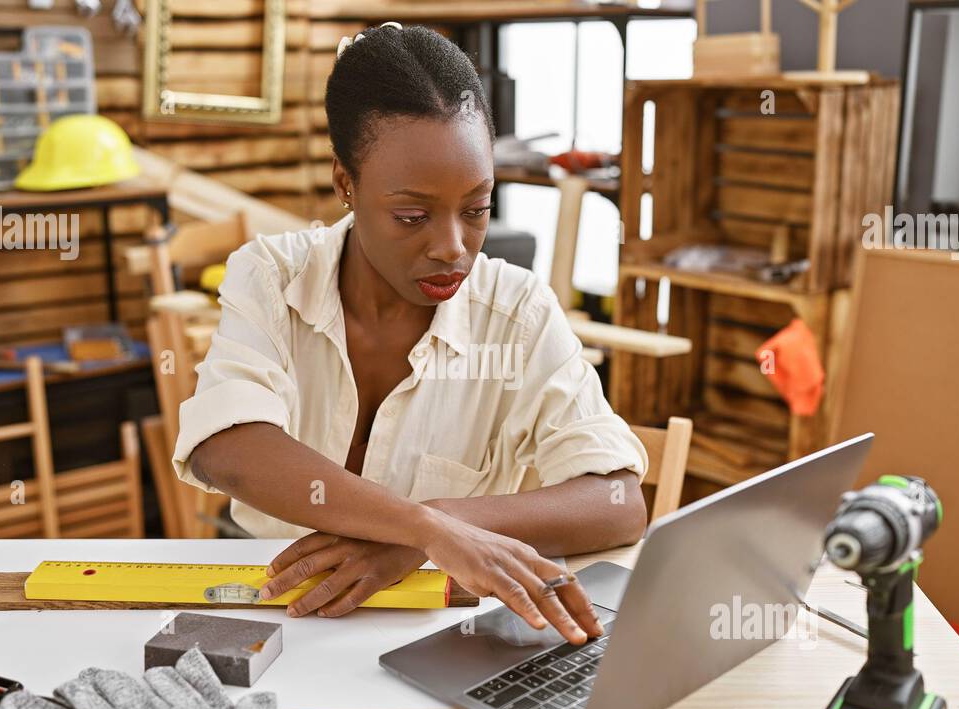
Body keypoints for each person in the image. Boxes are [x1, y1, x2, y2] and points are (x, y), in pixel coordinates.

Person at [173, 23, 648, 644]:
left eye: (477, 209)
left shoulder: (518, 309)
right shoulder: (271, 274)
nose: (453, 248)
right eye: (412, 216)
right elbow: (226, 448)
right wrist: (427, 531)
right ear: (346, 184)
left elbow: (618, 503)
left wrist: (437, 530)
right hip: (280, 617)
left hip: (449, 633)